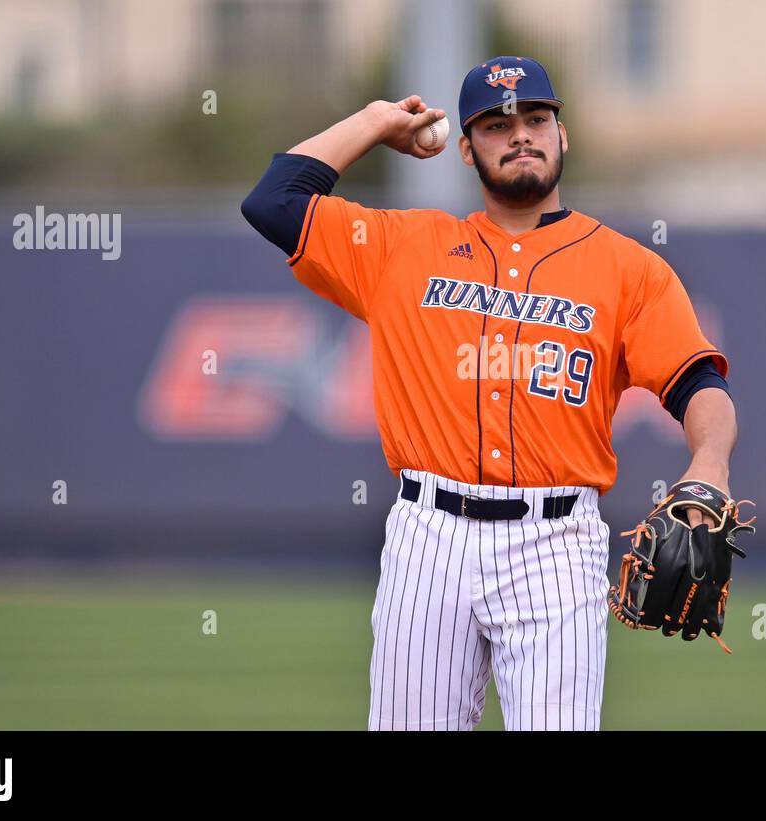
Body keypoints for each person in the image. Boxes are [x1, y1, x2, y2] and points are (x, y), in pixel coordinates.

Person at [241, 56, 738, 730]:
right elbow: (273, 201)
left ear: (564, 136)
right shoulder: (403, 247)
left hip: (556, 541)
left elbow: (697, 383)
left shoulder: (628, 270)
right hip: (428, 535)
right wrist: (377, 121)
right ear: (467, 150)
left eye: (536, 118)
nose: (521, 134)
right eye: (497, 124)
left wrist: (708, 467)